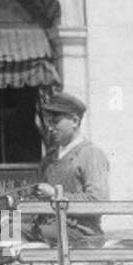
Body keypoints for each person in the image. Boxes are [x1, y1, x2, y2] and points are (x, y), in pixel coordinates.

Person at [28, 90, 110, 243]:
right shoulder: (50, 157)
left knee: (12, 232)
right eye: (48, 122)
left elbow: (99, 201)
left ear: (74, 121)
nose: (50, 128)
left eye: (56, 121)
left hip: (80, 233)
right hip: (49, 228)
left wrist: (55, 194)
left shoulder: (90, 154)